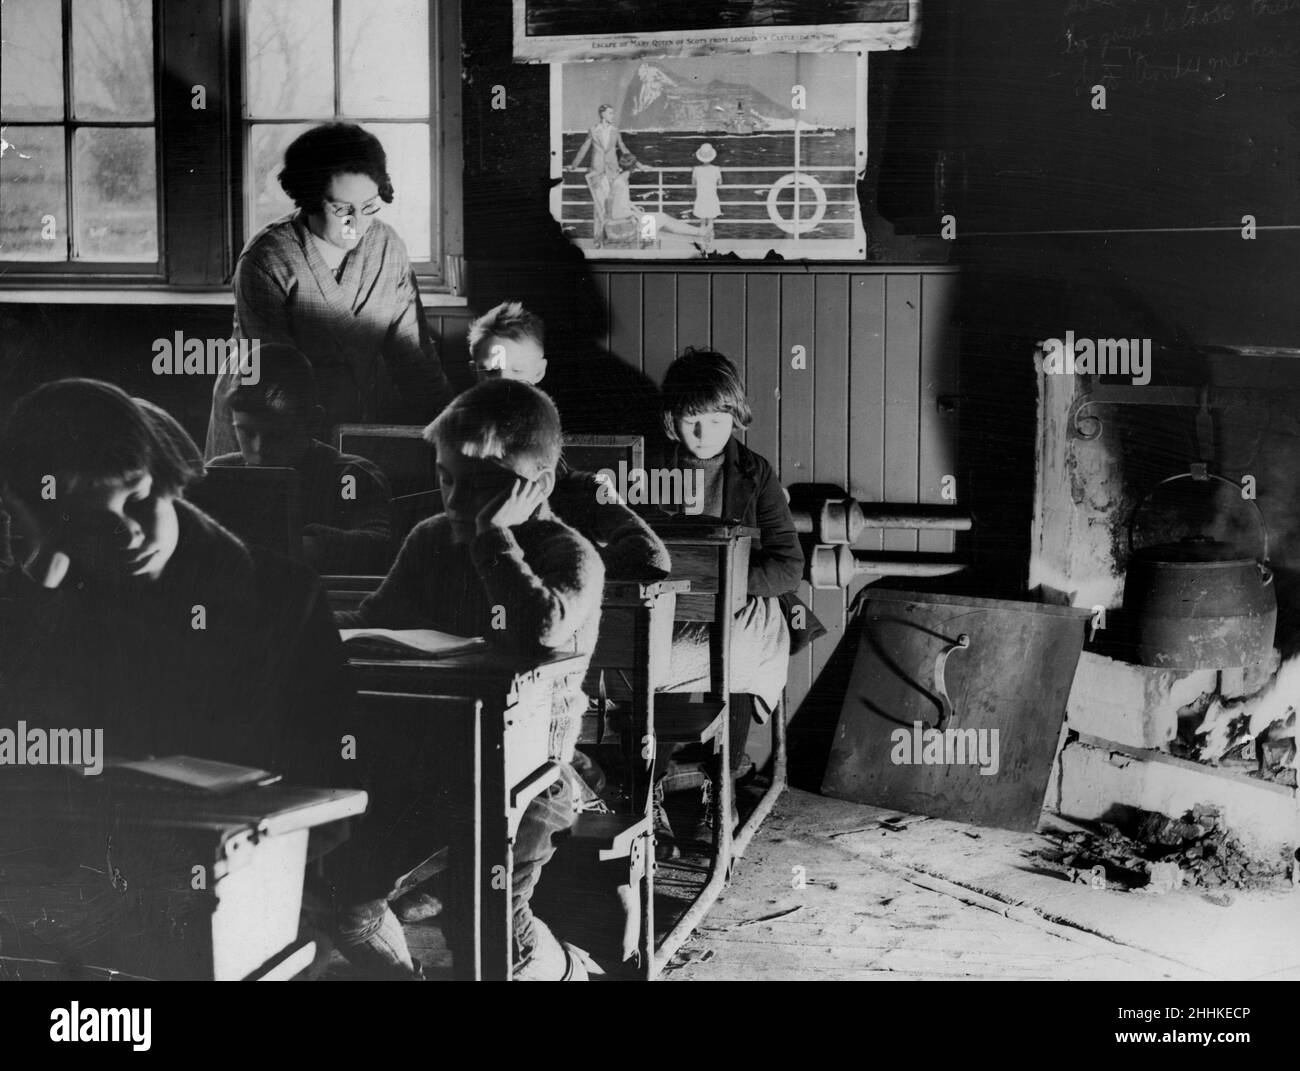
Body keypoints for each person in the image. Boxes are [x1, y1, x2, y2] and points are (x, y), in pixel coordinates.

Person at [338, 379, 605, 980]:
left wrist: (493, 539)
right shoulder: (431, 538)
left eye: (481, 486)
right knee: (346, 899)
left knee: (482, 920)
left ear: (536, 485)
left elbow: (541, 629)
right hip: (432, 766)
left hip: (530, 779)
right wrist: (309, 624)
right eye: (444, 478)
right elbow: (373, 620)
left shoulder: (571, 554)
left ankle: (568, 972)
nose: (456, 500)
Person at [0, 378, 349, 781]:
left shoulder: (288, 596)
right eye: (92, 522)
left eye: (138, 500)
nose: (128, 533)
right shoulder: (56, 598)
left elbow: (334, 785)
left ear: (165, 478)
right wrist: (45, 559)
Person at [652, 348, 823, 855]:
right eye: (691, 421)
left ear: (735, 416)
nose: (704, 434)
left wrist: (723, 581)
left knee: (747, 646)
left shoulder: (755, 472)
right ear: (670, 420)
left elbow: (789, 565)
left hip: (732, 605)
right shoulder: (645, 465)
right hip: (666, 604)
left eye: (717, 419)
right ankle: (649, 791)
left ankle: (719, 786)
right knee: (641, 650)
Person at [204, 123, 452, 460]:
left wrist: (453, 430)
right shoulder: (266, 259)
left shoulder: (387, 247)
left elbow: (415, 361)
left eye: (368, 206)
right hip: (263, 424)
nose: (357, 224)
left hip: (347, 417)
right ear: (310, 197)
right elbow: (276, 381)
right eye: (341, 209)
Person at [466, 300, 671, 580]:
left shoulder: (581, 490)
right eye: (490, 371)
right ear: (473, 372)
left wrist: (566, 562)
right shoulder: (453, 483)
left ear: (538, 373)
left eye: (516, 372)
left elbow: (651, 555)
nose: (504, 387)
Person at [208, 344, 393, 575]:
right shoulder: (221, 474)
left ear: (313, 422)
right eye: (245, 432)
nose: (259, 449)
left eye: (276, 435)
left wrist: (301, 546)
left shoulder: (350, 476)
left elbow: (380, 544)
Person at [567, 105, 630, 244]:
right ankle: (598, 239)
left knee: (613, 206)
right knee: (599, 207)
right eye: (610, 113)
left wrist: (638, 164)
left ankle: (614, 238)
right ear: (602, 114)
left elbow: (623, 148)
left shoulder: (615, 130)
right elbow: (584, 147)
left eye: (613, 113)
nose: (613, 116)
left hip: (613, 171)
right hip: (597, 172)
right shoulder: (593, 130)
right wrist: (574, 165)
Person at [690, 143, 724, 224]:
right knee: (711, 223)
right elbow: (720, 182)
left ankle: (703, 236)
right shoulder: (716, 169)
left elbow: (693, 183)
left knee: (702, 224)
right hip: (712, 198)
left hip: (701, 198)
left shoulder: (696, 169)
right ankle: (711, 236)